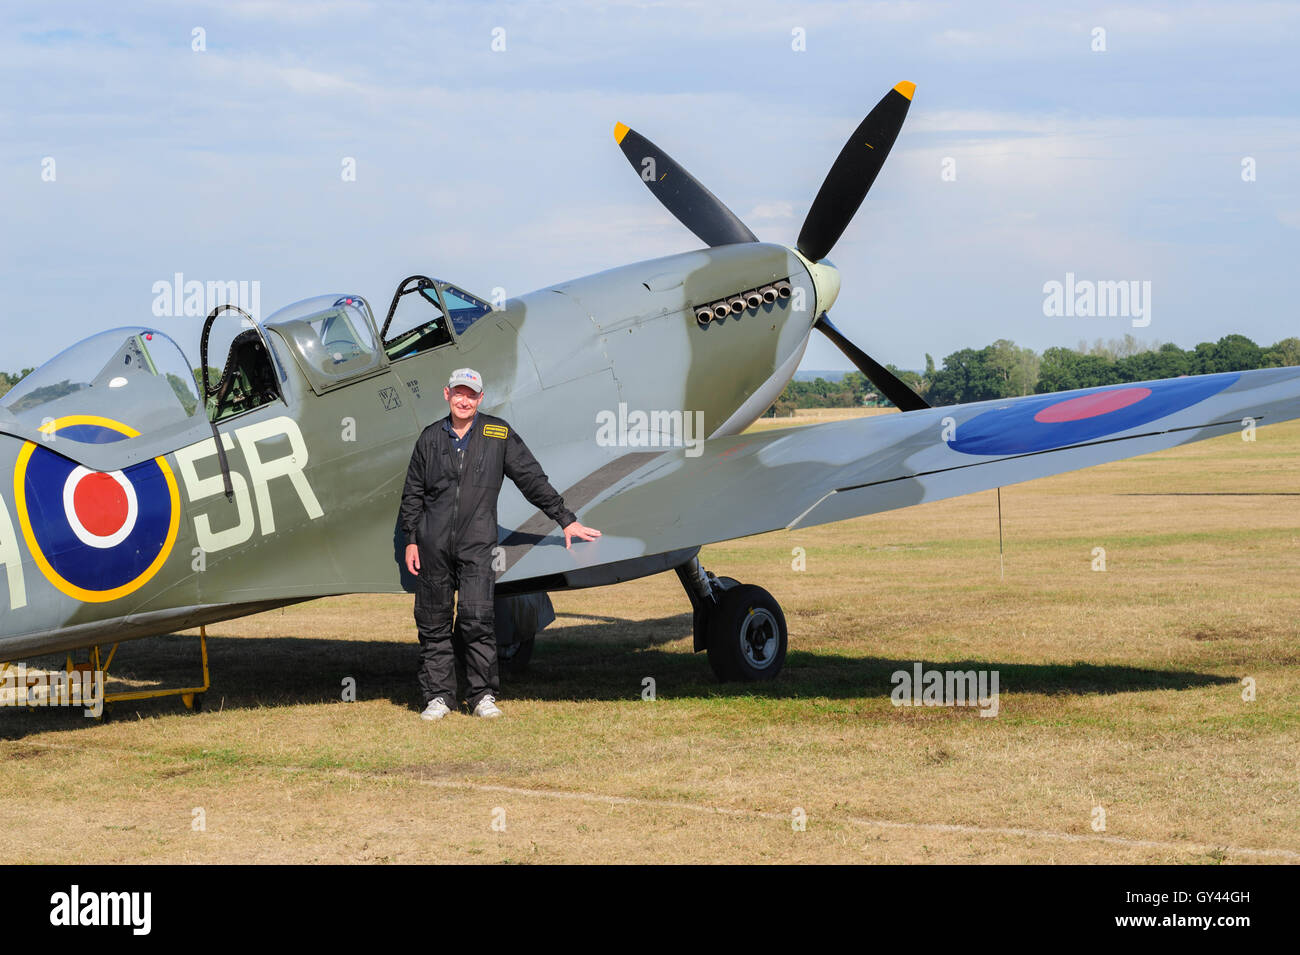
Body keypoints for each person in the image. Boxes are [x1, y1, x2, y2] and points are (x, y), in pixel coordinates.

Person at [399, 368, 600, 720]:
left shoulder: (497, 433)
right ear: (447, 394)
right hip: (433, 546)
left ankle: (481, 696)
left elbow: (530, 478)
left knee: (478, 620)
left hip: (478, 545)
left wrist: (565, 518)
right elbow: (413, 492)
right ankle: (439, 698)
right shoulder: (430, 438)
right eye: (459, 393)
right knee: (433, 623)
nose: (465, 400)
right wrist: (412, 540)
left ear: (481, 397)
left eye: (472, 394)